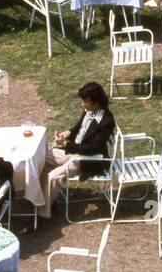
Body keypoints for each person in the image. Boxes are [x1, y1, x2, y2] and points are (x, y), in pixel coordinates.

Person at [45, 83, 117, 211]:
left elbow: (91, 148)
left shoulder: (106, 121)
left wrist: (67, 144)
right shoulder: (88, 110)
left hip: (88, 159)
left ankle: (40, 215)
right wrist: (68, 132)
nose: (82, 104)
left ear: (97, 102)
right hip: (73, 151)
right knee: (41, 158)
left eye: (85, 102)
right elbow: (79, 127)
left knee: (53, 177)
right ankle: (48, 201)